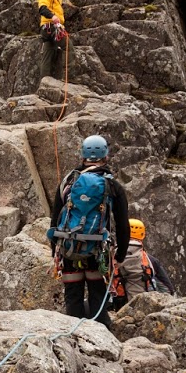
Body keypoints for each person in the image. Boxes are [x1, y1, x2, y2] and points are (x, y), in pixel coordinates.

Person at [48, 134, 130, 329]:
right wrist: (120, 255)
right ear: (106, 156)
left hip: (68, 245)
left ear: (83, 155)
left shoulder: (69, 182)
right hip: (98, 248)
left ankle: (75, 337)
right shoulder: (112, 185)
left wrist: (55, 251)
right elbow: (122, 224)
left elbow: (55, 220)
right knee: (97, 293)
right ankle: (100, 333)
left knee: (73, 294)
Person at [111, 217, 175, 308]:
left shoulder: (111, 257)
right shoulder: (150, 260)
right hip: (142, 306)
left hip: (116, 306)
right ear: (142, 235)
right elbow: (167, 289)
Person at [37, 0, 69, 75]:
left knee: (47, 56)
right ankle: (69, 77)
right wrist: (53, 16)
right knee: (68, 47)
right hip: (51, 27)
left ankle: (44, 81)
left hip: (47, 30)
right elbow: (42, 8)